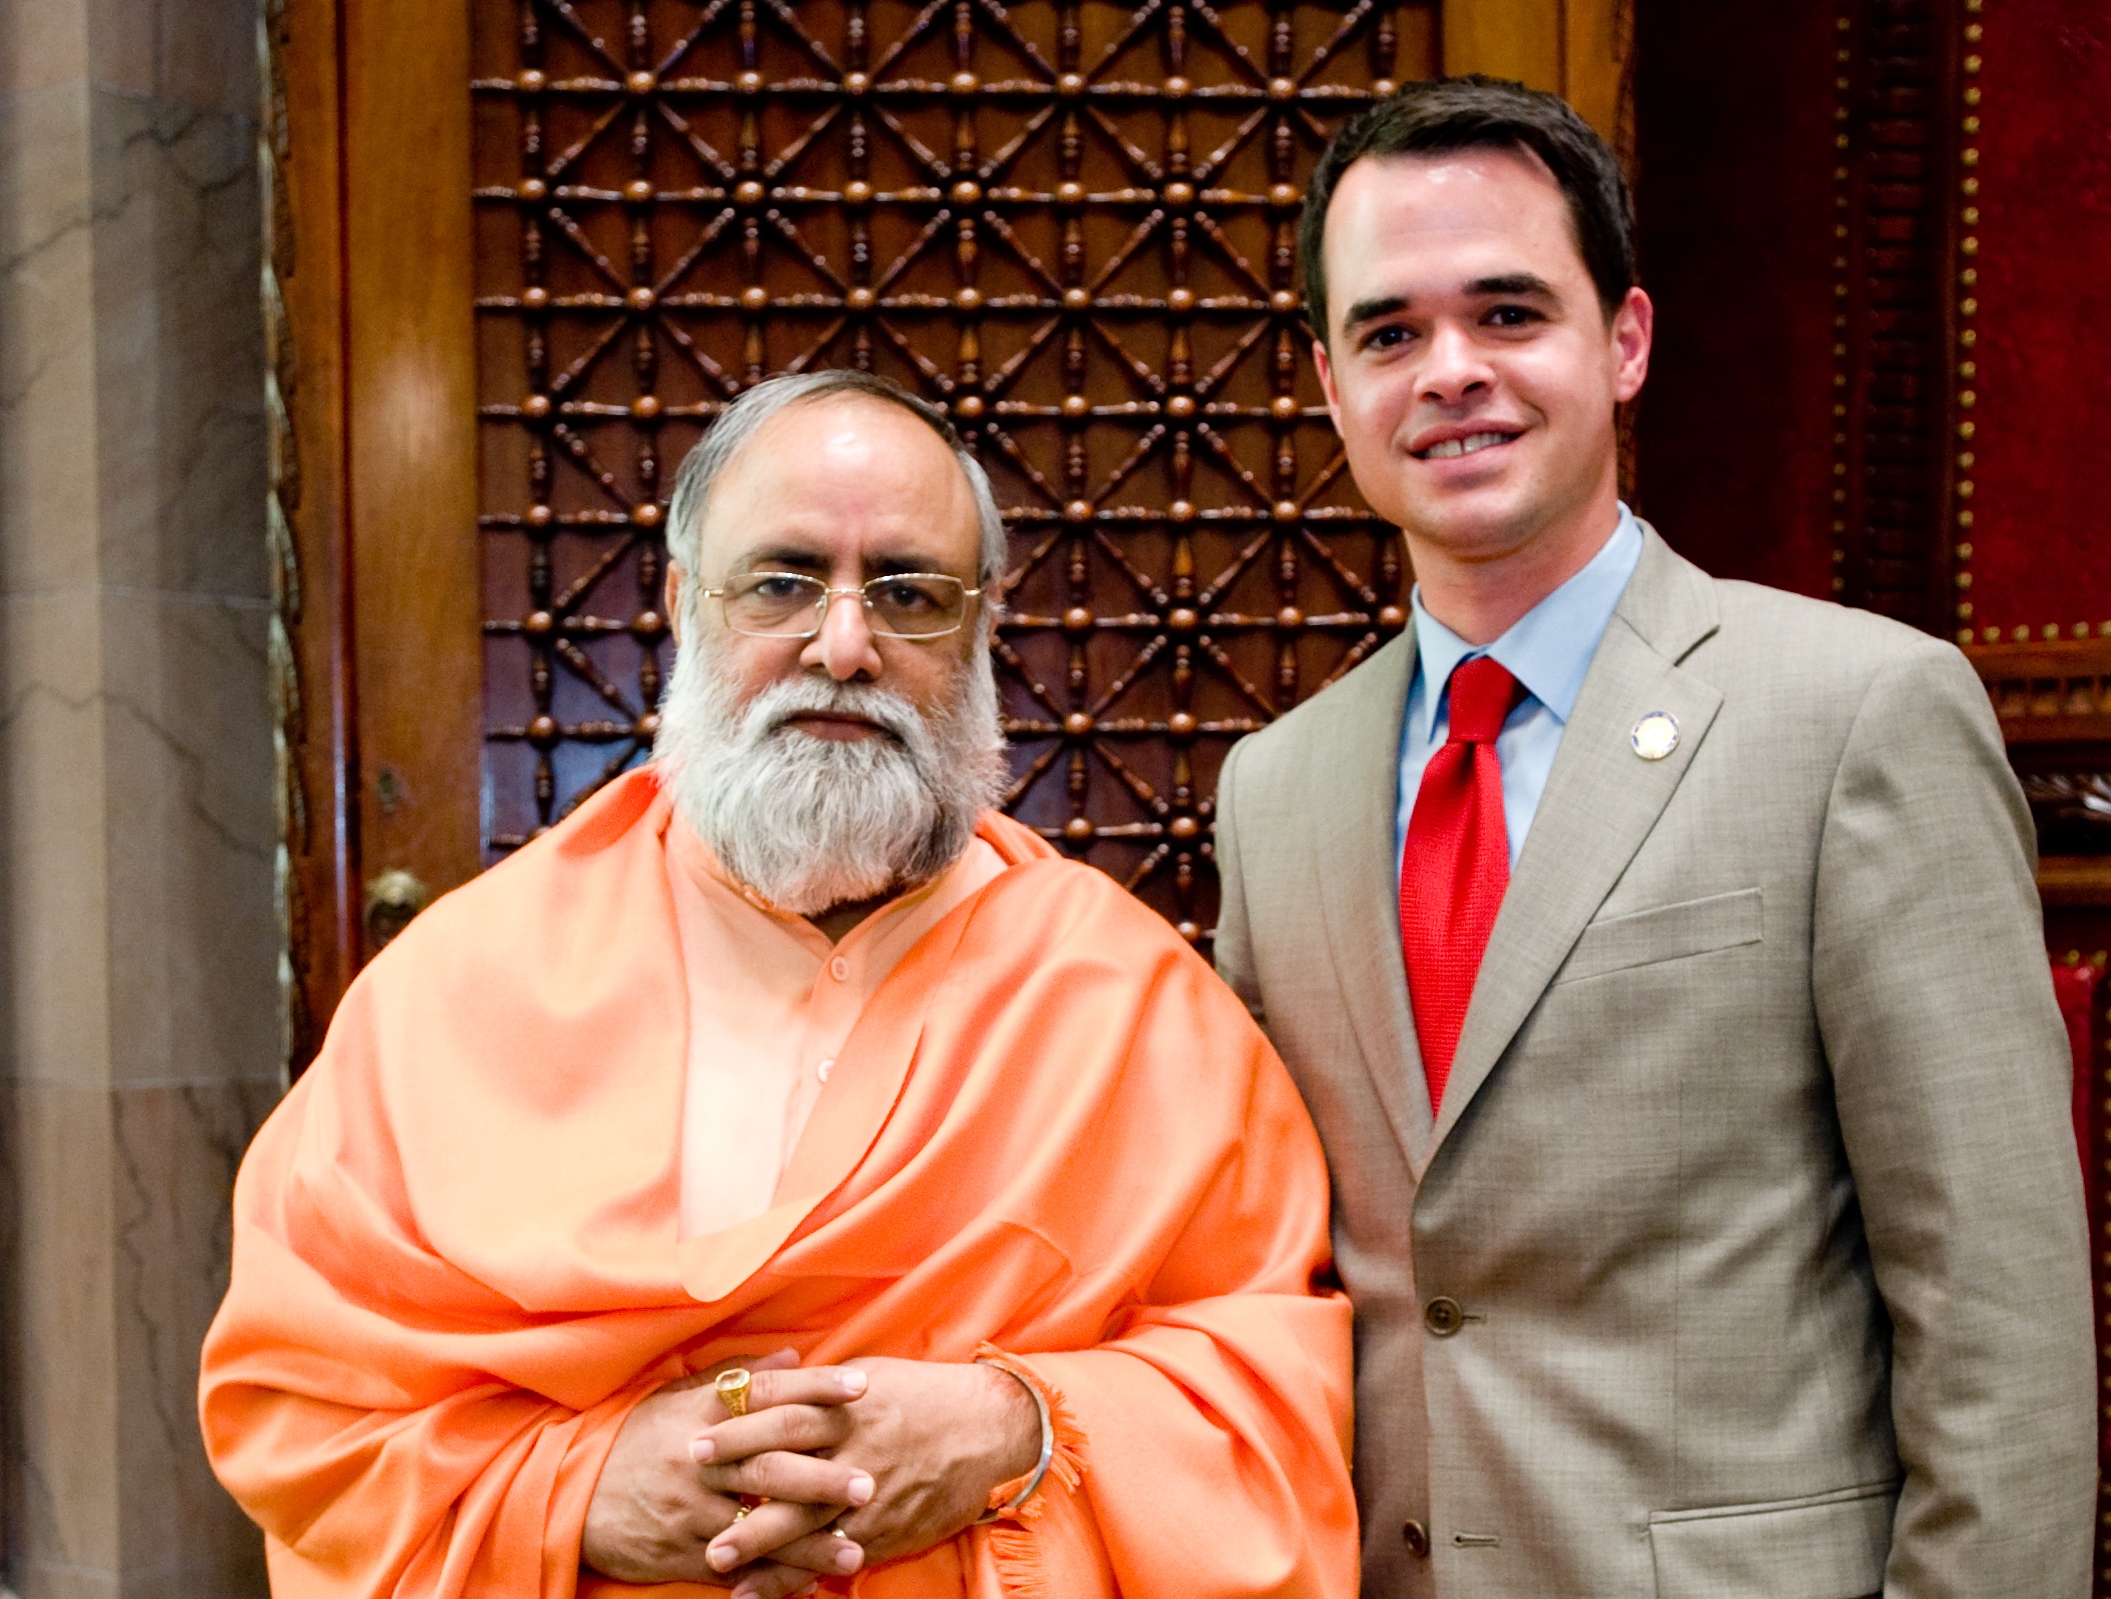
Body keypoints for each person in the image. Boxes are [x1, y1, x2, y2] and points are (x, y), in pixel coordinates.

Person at [200, 370, 1357, 1599]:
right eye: (782, 582)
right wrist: (573, 1492)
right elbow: (304, 1407)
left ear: (983, 626)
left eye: (908, 593)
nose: (843, 645)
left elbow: (1273, 1401)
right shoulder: (454, 990)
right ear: (684, 605)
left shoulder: (1126, 1007)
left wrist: (1014, 1428)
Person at [1212, 76, 2094, 1598]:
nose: (1450, 373)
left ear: (1621, 340)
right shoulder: (1274, 788)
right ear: (1325, 380)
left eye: (1506, 312)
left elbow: (1994, 1319)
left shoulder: (1853, 712)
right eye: (1389, 330)